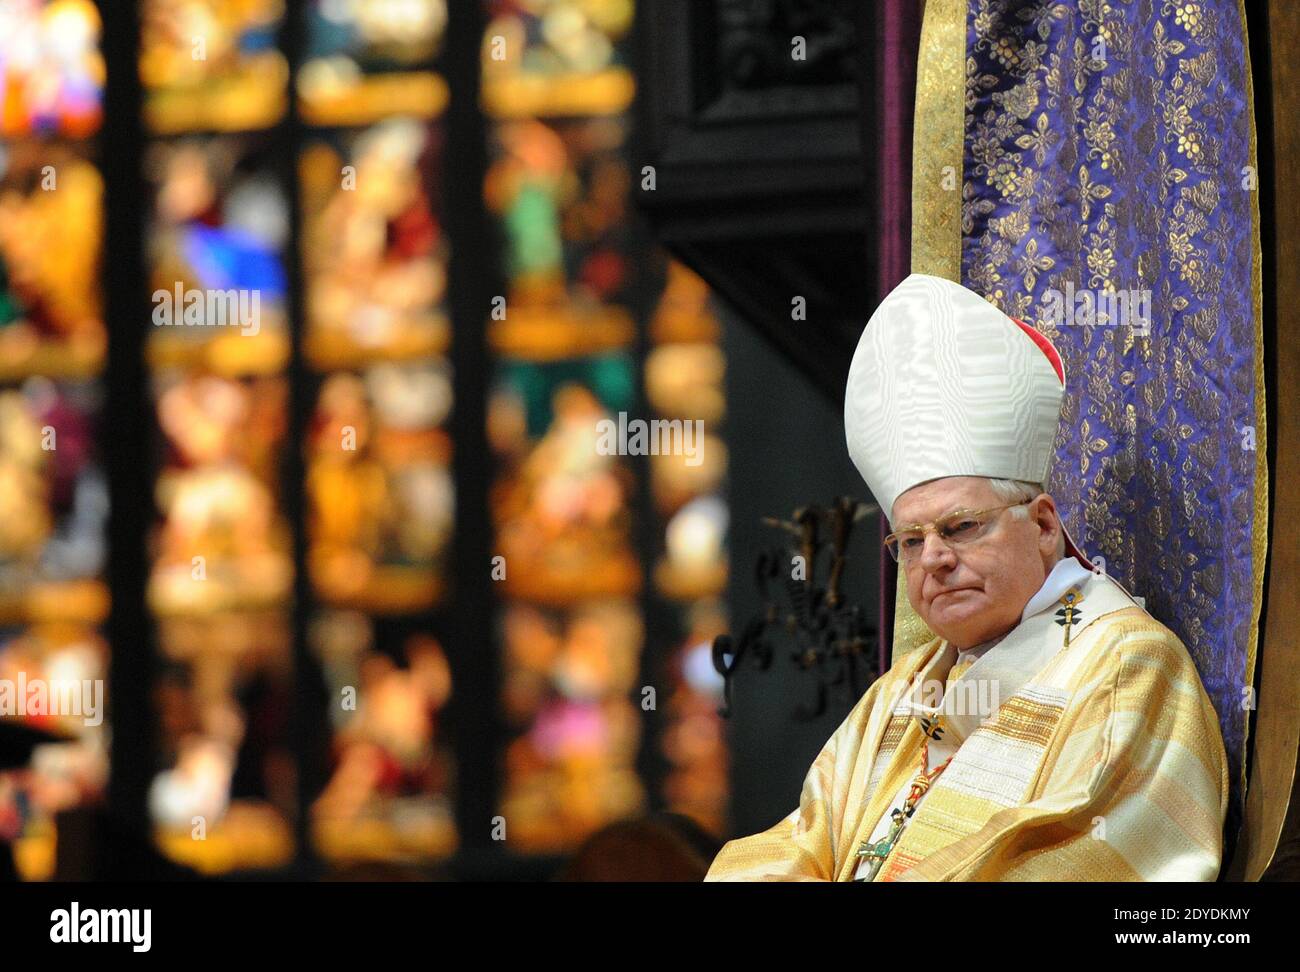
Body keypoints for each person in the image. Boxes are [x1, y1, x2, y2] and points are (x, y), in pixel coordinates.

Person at [705, 273, 1229, 881]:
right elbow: (801, 841)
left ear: (1042, 526)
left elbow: (1081, 859)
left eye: (960, 528)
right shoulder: (902, 691)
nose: (934, 558)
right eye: (910, 541)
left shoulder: (1127, 666)